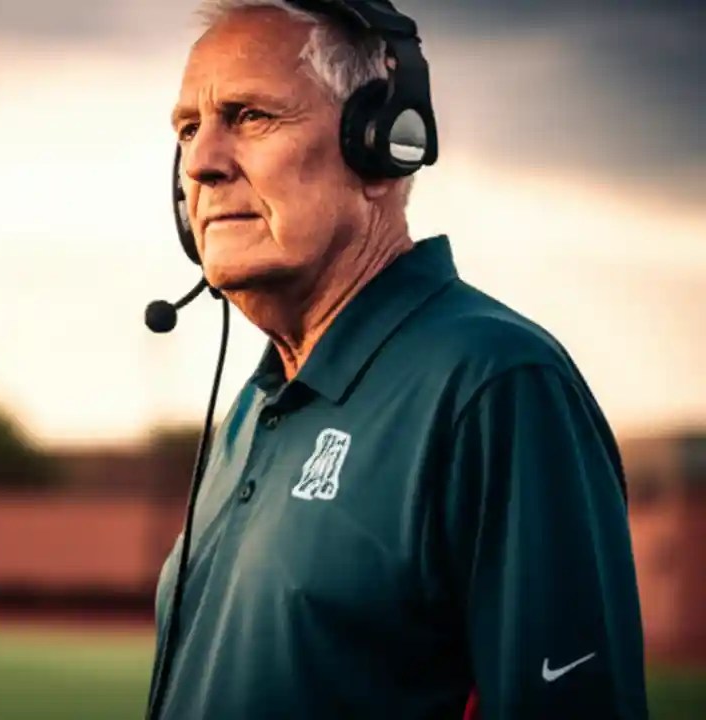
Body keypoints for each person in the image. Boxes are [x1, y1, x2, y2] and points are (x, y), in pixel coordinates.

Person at [144, 2, 649, 718]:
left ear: (382, 146)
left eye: (251, 116)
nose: (201, 163)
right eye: (189, 130)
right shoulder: (257, 402)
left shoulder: (496, 382)